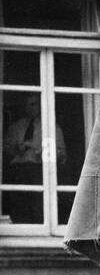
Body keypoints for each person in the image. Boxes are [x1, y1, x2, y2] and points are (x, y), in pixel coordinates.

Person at [3, 94, 66, 224]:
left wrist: (40, 151)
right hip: (18, 172)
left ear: (40, 105)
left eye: (34, 104)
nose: (30, 108)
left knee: (39, 210)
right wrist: (16, 149)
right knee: (19, 209)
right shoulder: (16, 127)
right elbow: (4, 152)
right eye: (28, 105)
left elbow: (61, 154)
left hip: (39, 173)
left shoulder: (51, 127)